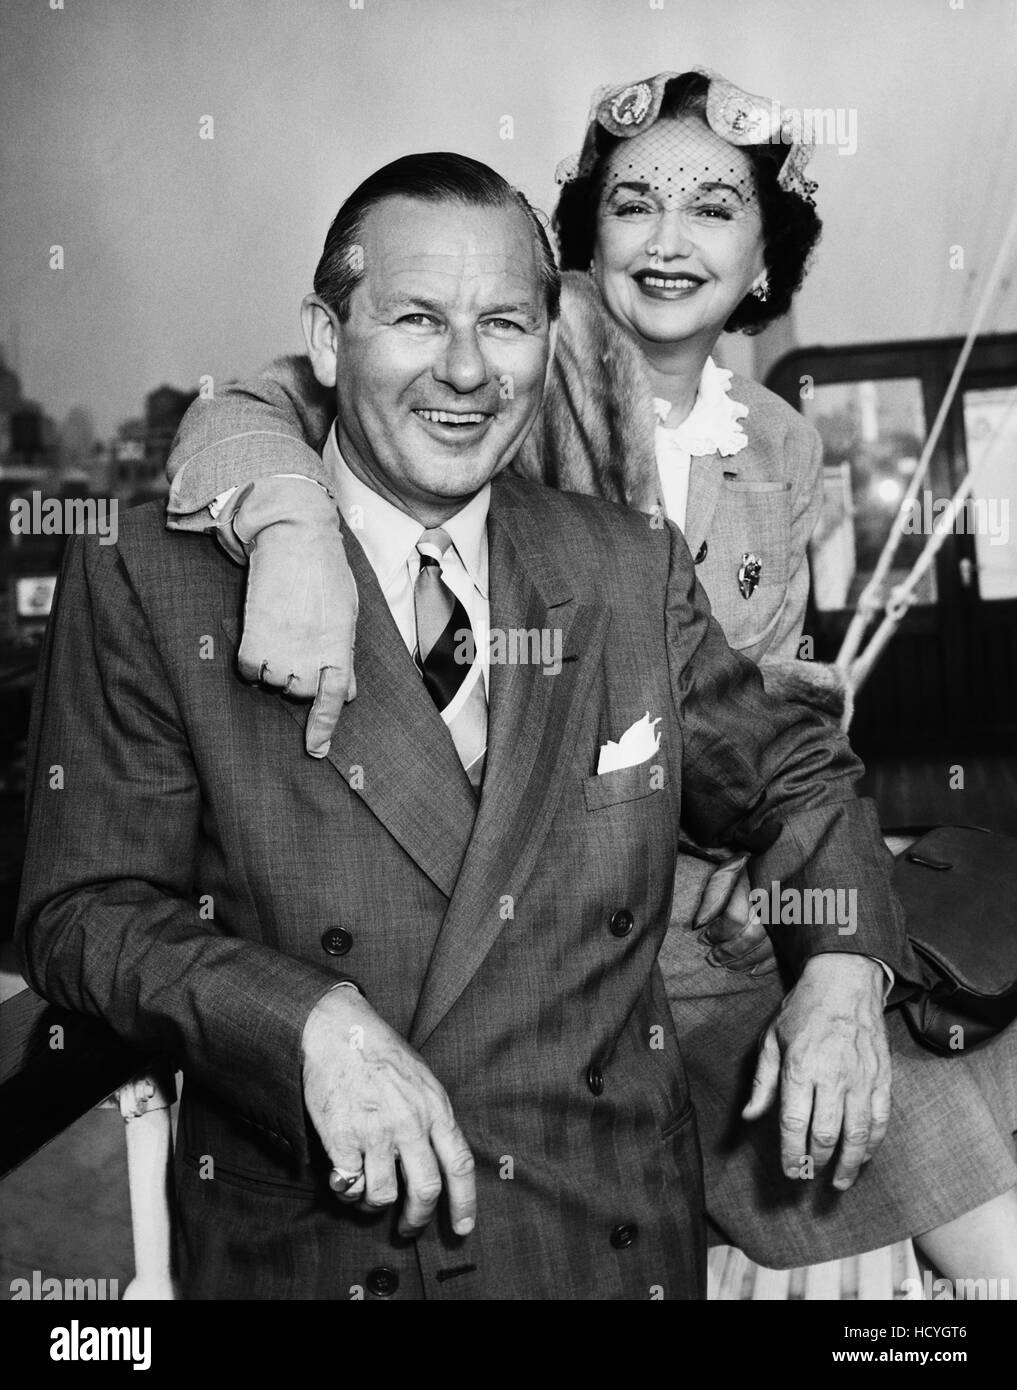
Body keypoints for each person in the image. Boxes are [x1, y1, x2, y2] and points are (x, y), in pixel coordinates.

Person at [161, 70, 1017, 1284]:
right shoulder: (505, 343)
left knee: (970, 1162)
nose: (669, 240)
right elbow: (245, 405)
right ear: (585, 234)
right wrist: (292, 520)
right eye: (633, 203)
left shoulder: (779, 441)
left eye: (714, 206)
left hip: (733, 932)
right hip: (544, 959)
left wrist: (786, 864)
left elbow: (750, 724)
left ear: (766, 257)